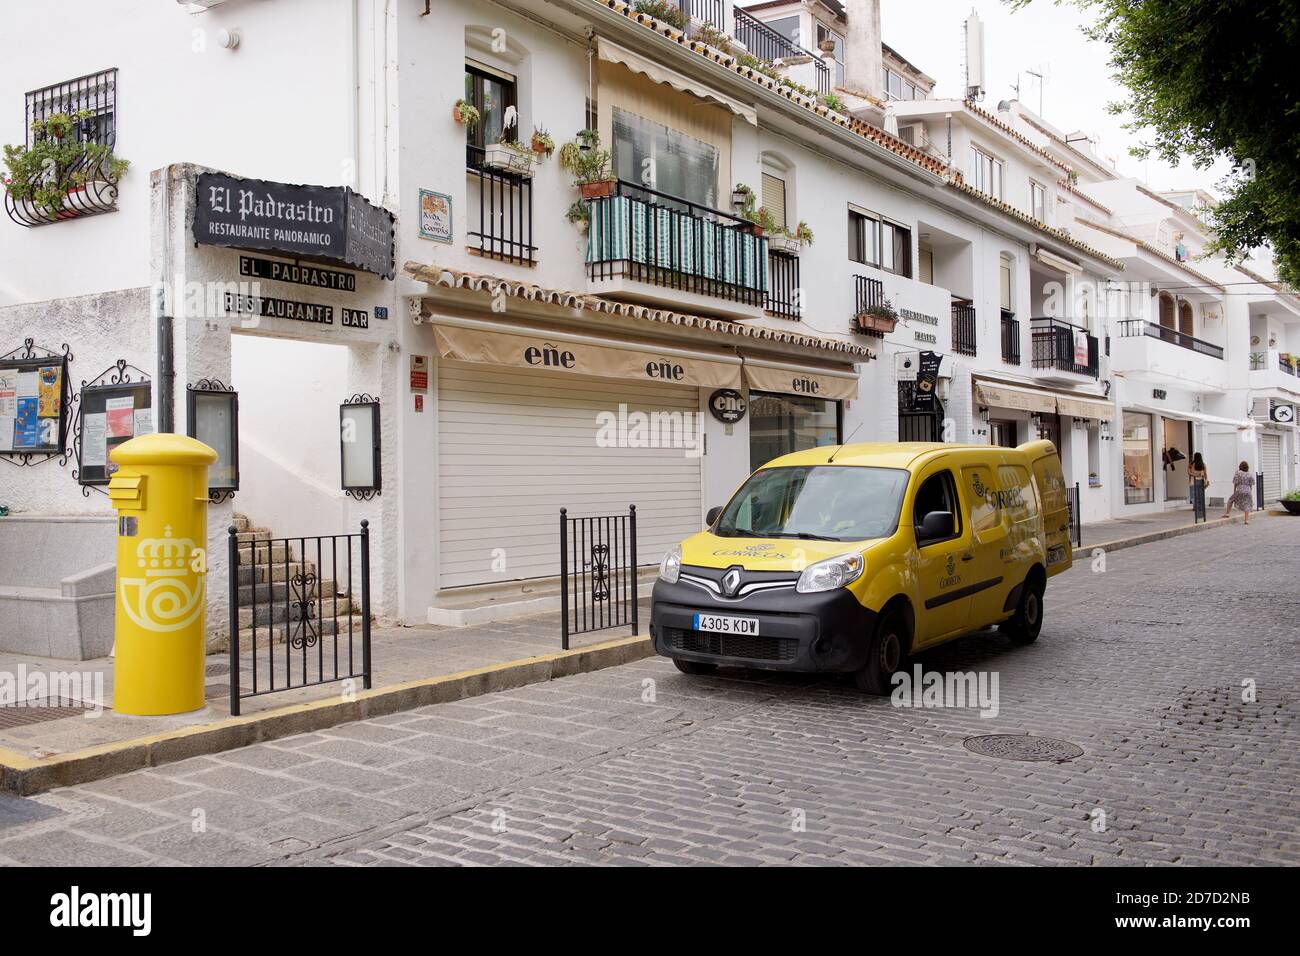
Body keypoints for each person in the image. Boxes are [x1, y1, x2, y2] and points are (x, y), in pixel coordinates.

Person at [1223, 460, 1254, 525]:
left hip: (1240, 489)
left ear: (1240, 466)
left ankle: (1227, 513)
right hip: (1248, 490)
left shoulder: (1238, 472)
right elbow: (1251, 484)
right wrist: (1250, 491)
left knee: (1231, 500)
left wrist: (1234, 490)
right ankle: (1246, 520)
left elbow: (1235, 482)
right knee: (1247, 505)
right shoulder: (1249, 474)